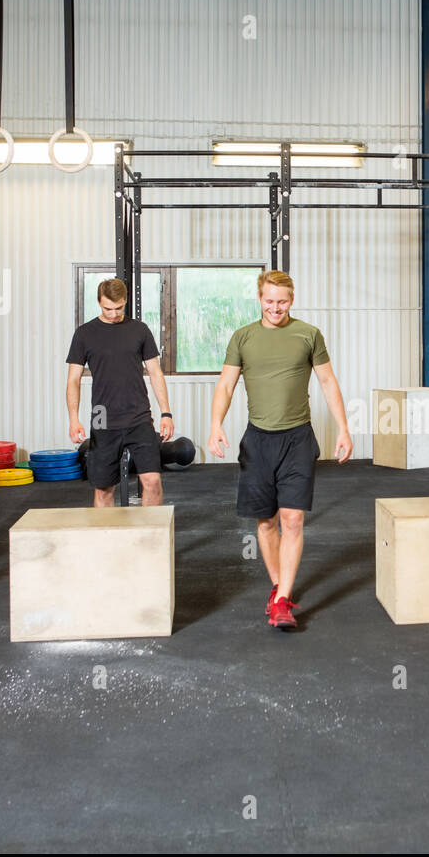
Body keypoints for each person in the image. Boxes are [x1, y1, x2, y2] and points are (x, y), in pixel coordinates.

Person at [207, 270, 352, 632]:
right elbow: (226, 385)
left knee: (292, 518)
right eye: (269, 301)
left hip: (297, 440)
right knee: (266, 520)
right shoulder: (243, 337)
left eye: (282, 301)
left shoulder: (308, 334)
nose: (276, 308)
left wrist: (345, 429)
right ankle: (278, 588)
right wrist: (215, 424)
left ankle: (283, 598)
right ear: (259, 299)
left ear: (292, 299)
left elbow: (327, 381)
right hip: (258, 440)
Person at [66, 278, 173, 507]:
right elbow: (73, 380)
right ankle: (105, 541)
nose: (114, 314)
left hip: (139, 415)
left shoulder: (139, 330)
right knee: (104, 489)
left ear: (125, 302)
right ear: (98, 302)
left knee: (152, 480)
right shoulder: (84, 334)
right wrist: (74, 419)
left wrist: (166, 413)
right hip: (102, 417)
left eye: (119, 308)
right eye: (108, 309)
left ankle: (150, 539)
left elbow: (155, 373)